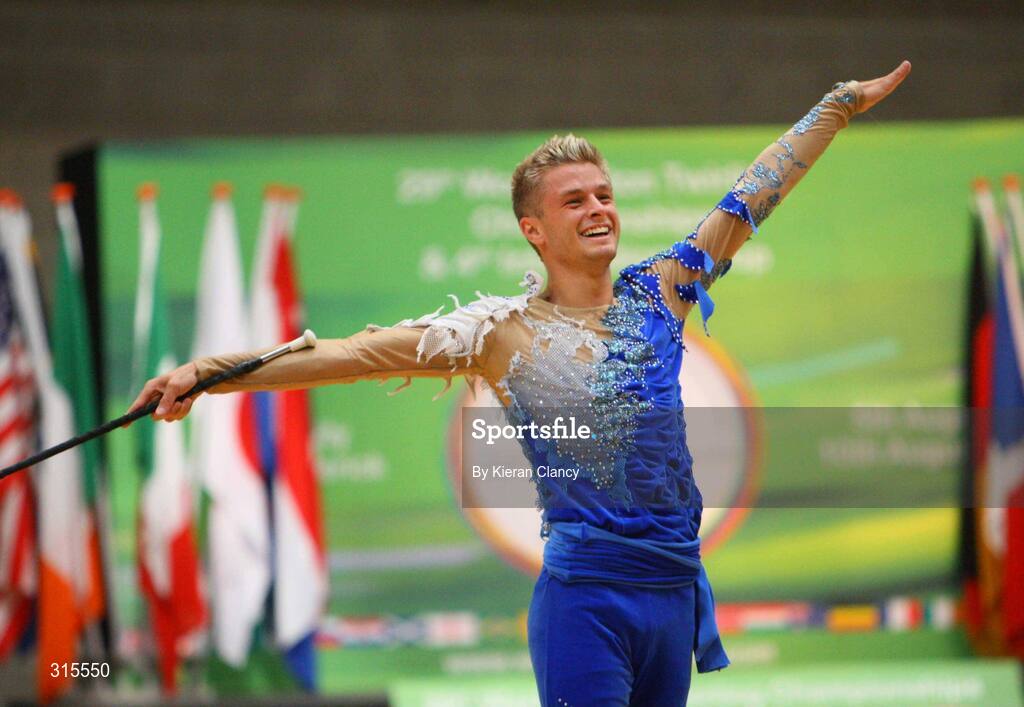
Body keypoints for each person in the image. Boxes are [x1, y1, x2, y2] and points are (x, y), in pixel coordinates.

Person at [130, 61, 911, 706]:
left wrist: (835, 108)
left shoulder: (663, 293)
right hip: (586, 604)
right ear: (533, 229)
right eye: (575, 200)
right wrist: (206, 374)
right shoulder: (498, 334)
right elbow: (351, 354)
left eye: (604, 194)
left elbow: (754, 195)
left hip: (673, 594)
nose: (599, 208)